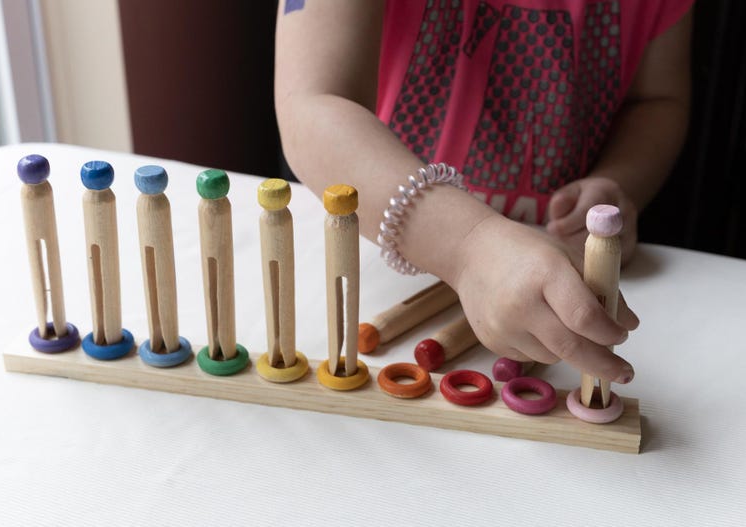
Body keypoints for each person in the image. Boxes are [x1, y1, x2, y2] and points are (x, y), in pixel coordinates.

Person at [274, 0, 693, 384]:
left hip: (570, 265)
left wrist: (621, 182)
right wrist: (469, 245)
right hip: (382, 252)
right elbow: (312, 103)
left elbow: (655, 101)